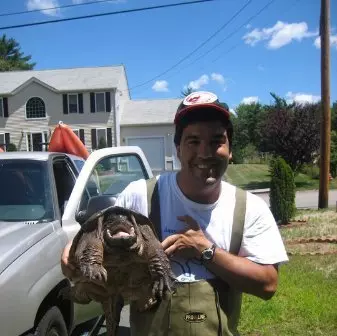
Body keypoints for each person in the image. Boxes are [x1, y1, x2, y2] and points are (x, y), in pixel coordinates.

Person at [61, 91, 288, 336]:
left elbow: (267, 284)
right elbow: (99, 231)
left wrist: (206, 251)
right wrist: (74, 252)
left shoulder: (249, 208)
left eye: (216, 141)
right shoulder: (141, 195)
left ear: (230, 149)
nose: (205, 152)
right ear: (178, 149)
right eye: (193, 141)